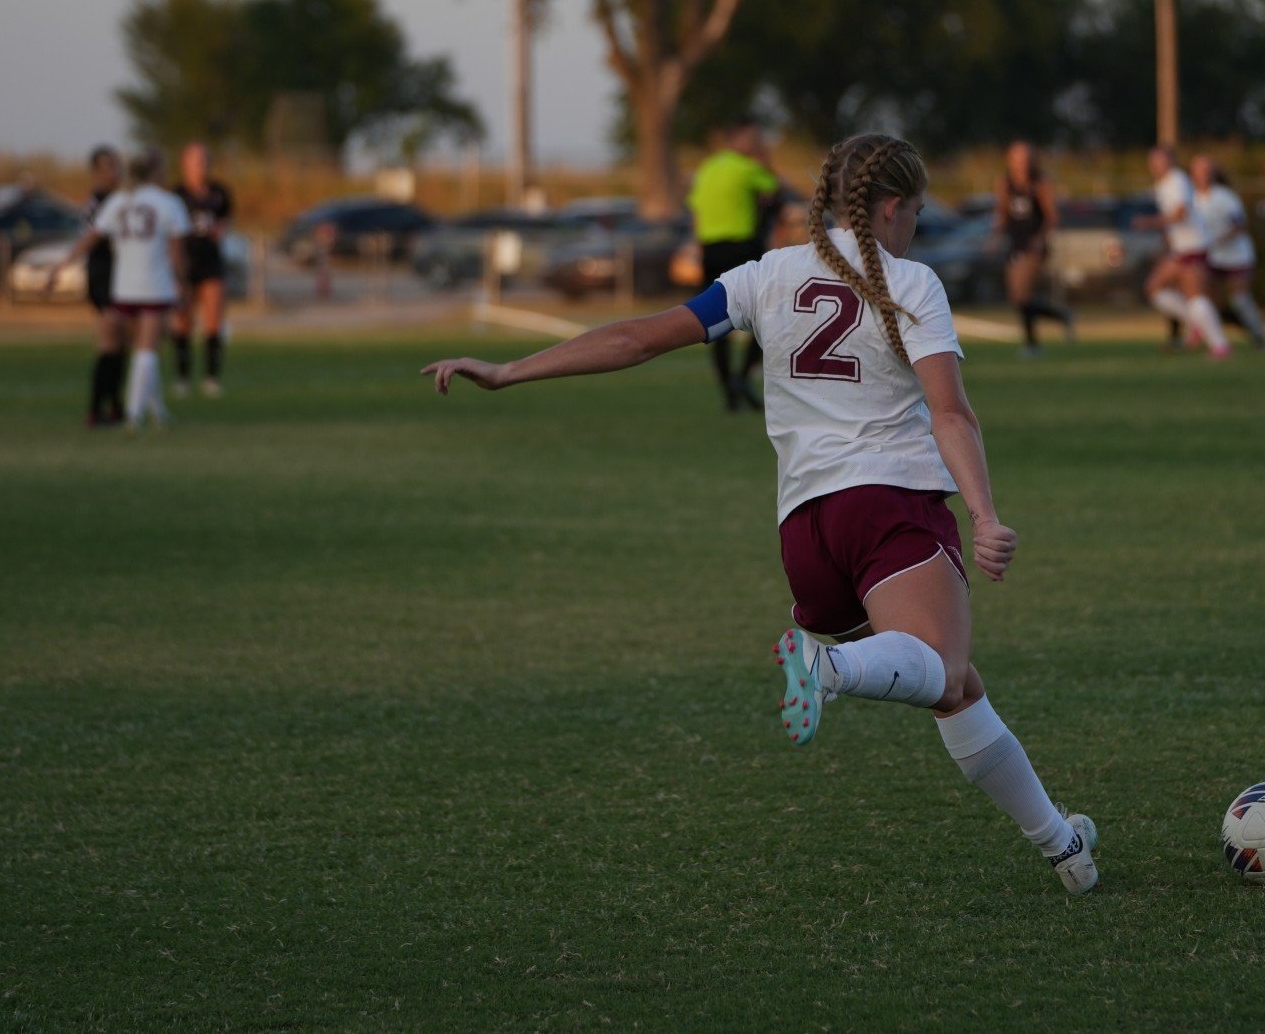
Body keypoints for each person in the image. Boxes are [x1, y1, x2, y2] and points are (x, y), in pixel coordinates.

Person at [421, 133, 1101, 895]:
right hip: (889, 509)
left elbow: (639, 338)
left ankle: (1062, 844)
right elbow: (953, 414)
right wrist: (983, 513)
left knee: (952, 685)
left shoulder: (764, 275)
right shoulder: (912, 283)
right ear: (890, 207)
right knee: (937, 664)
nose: (915, 224)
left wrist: (511, 369)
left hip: (806, 535)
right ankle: (828, 666)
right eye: (915, 210)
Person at [47, 148, 190, 431]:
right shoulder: (169, 202)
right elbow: (176, 252)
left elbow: (91, 237)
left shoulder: (118, 201)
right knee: (147, 349)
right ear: (155, 171)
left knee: (142, 348)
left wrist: (61, 265)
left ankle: (158, 411)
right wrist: (182, 283)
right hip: (154, 286)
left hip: (124, 288)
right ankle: (134, 415)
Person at [686, 118, 783, 411]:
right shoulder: (747, 167)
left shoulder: (707, 169)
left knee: (715, 320)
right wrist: (764, 161)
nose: (756, 144)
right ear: (739, 139)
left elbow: (695, 208)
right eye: (753, 139)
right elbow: (773, 190)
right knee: (765, 314)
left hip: (709, 248)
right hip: (742, 246)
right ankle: (743, 376)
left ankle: (728, 389)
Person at [1134, 147, 1230, 358]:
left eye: (1158, 161)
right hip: (1181, 249)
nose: (1153, 165)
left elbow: (1181, 212)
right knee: (1154, 288)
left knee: (1195, 298)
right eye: (1152, 161)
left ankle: (1220, 346)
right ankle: (1196, 325)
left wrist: (1149, 222)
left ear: (1169, 161)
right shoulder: (1163, 184)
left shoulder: (1177, 180)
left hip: (1193, 247)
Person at [993, 140, 1074, 357]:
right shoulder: (1005, 183)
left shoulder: (1040, 182)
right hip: (1014, 244)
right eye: (1017, 159)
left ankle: (1032, 344)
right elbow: (1002, 213)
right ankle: (1061, 316)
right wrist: (994, 237)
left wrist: (1040, 238)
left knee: (1022, 294)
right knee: (1017, 298)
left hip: (1034, 247)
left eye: (1025, 159)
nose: (1021, 164)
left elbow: (1052, 216)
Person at [172, 143, 234, 396]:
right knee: (183, 321)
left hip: (210, 261)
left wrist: (221, 230)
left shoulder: (220, 192)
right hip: (185, 262)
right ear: (185, 164)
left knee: (213, 320)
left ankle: (211, 377)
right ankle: (183, 377)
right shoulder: (176, 194)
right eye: (196, 161)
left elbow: (226, 222)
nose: (201, 166)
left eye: (204, 160)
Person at [1191, 154, 1265, 349]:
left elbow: (1240, 225)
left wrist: (1220, 239)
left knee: (1239, 300)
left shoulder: (1225, 197)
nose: (1202, 175)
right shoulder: (1192, 197)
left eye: (1206, 171)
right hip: (1212, 257)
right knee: (1205, 300)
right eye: (1198, 171)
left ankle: (1260, 335)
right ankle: (1209, 337)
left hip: (1236, 257)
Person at [81, 147, 128, 427]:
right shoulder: (97, 204)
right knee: (110, 342)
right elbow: (92, 238)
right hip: (103, 277)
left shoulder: (119, 199)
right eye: (109, 166)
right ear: (97, 171)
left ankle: (116, 405)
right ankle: (95, 409)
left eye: (117, 164)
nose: (115, 171)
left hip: (122, 278)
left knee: (121, 345)